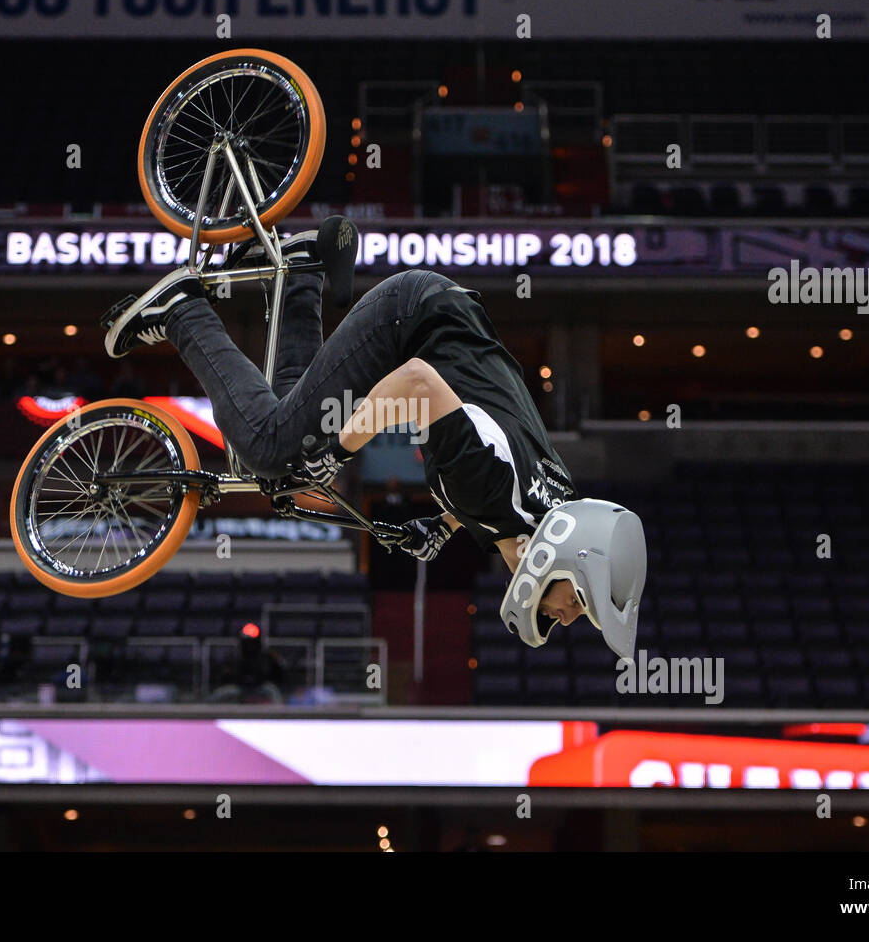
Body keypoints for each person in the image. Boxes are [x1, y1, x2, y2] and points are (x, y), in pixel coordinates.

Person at [106, 218, 646, 657]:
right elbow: (417, 382)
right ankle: (183, 311)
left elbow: (486, 455)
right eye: (579, 601)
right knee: (268, 450)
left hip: (435, 312)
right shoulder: (494, 492)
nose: (568, 618)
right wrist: (340, 451)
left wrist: (442, 525)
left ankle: (302, 270)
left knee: (297, 429)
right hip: (407, 320)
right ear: (565, 555)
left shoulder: (545, 506)